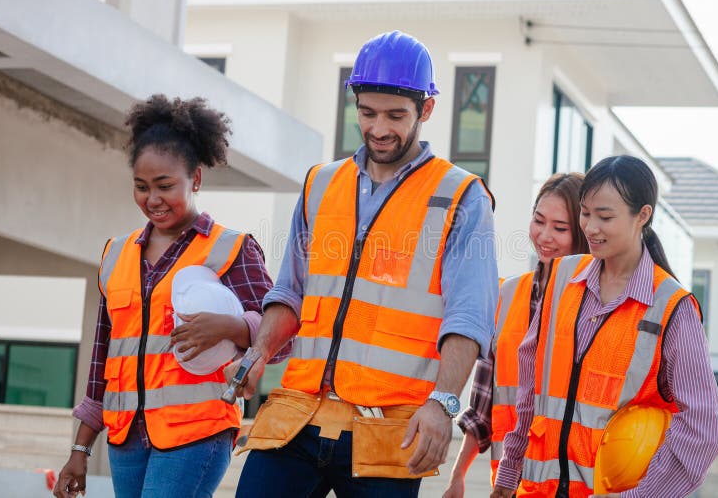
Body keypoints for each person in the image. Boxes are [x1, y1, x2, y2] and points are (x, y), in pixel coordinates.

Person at [231, 30, 498, 497]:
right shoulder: (321, 183)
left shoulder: (460, 197)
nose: (378, 128)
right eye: (368, 113)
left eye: (395, 116)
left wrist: (443, 404)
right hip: (298, 415)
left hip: (389, 429)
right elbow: (290, 292)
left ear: (426, 110)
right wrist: (259, 353)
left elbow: (469, 317)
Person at [54, 95, 286, 498]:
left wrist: (232, 327)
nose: (152, 199)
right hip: (126, 438)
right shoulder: (115, 255)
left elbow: (280, 337)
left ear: (195, 179)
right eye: (141, 187)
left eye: (165, 186)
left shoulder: (231, 249)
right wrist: (80, 449)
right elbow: (102, 359)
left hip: (198, 432)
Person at [491, 155, 718, 498]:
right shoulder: (561, 278)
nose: (590, 228)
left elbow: (705, 429)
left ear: (642, 215)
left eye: (605, 217)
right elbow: (529, 390)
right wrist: (508, 473)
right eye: (585, 213)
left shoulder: (672, 308)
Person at [443, 173, 588, 497]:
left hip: (572, 484)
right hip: (511, 485)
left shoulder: (594, 303)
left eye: (560, 228)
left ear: (582, 232)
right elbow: (482, 404)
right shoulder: (507, 295)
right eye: (539, 221)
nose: (544, 236)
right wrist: (457, 475)